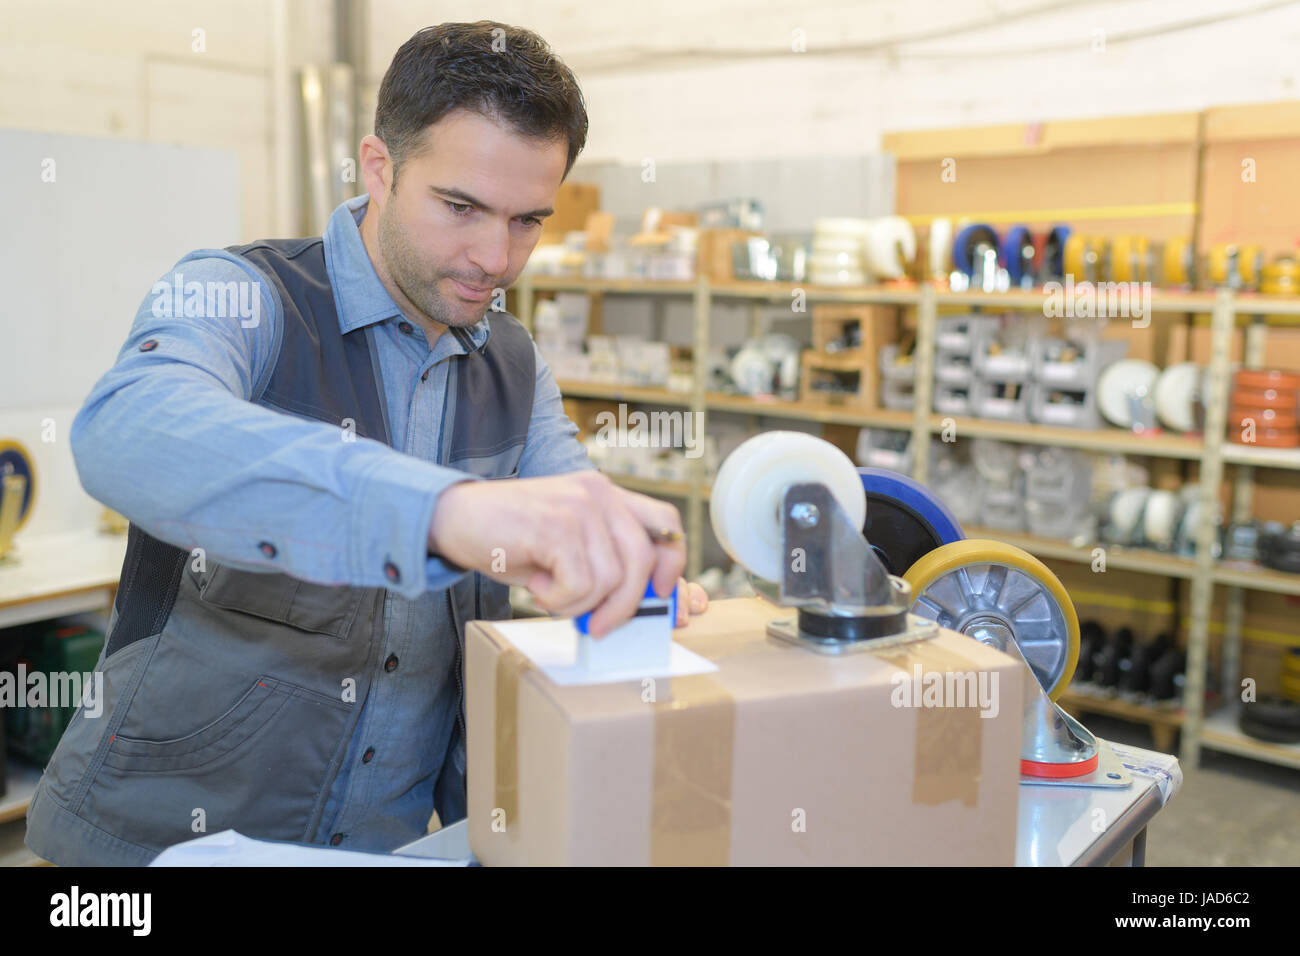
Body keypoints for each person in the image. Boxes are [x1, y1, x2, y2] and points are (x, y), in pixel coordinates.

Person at [26, 20, 708, 866]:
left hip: (384, 848)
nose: (495, 257)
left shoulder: (514, 363)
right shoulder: (245, 295)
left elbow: (571, 503)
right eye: (460, 207)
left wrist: (623, 556)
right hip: (152, 847)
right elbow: (125, 428)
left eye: (529, 220)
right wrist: (441, 511)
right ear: (379, 167)